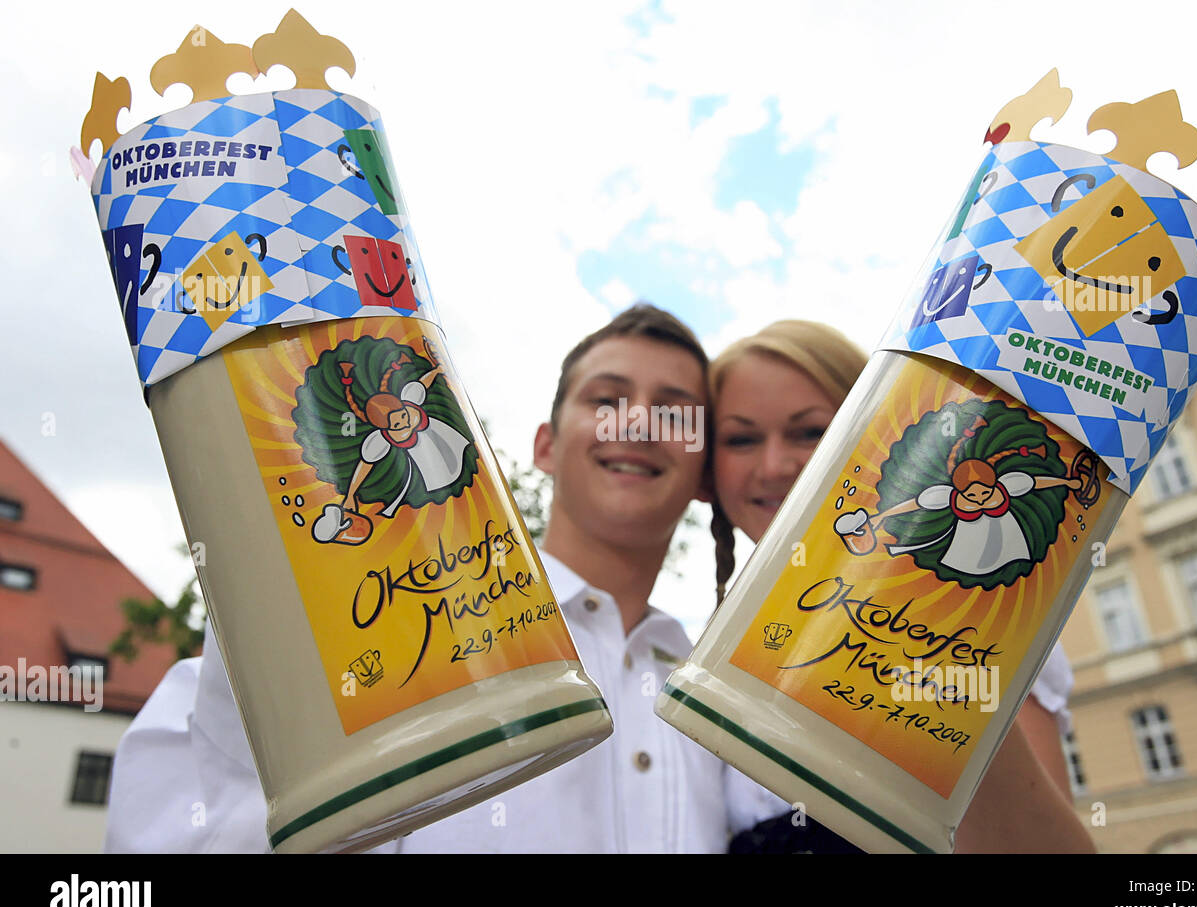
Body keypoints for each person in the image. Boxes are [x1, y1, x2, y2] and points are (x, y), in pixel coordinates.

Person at [103, 305, 785, 853]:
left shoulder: (713, 695)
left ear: (702, 474)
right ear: (545, 446)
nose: (636, 423)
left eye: (673, 410)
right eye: (606, 398)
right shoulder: (390, 614)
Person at [708, 319, 1087, 852]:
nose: (775, 465)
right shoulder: (703, 650)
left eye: (811, 430)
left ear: (874, 435)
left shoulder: (983, 619)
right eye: (741, 438)